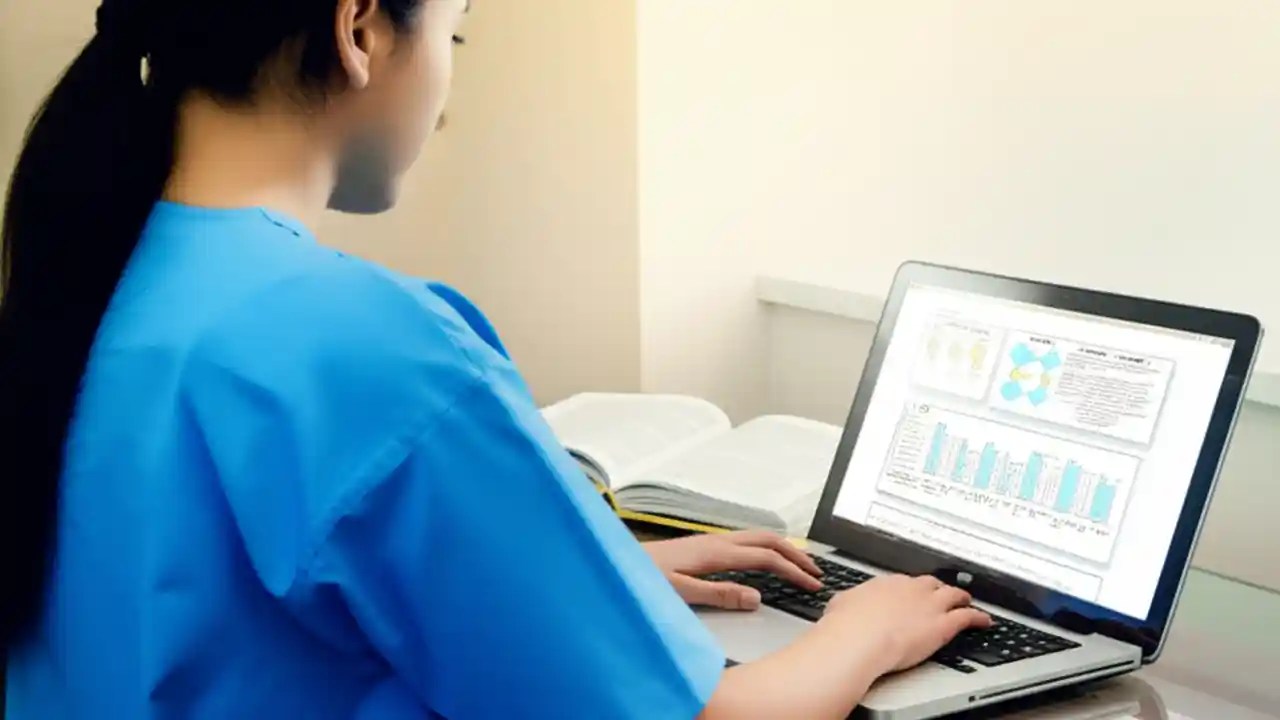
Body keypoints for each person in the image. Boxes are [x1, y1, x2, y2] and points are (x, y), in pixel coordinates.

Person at [0, 0, 989, 717]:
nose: (443, 94)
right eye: (453, 38)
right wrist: (867, 633)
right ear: (359, 32)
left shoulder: (93, 279)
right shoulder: (361, 344)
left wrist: (582, 573)